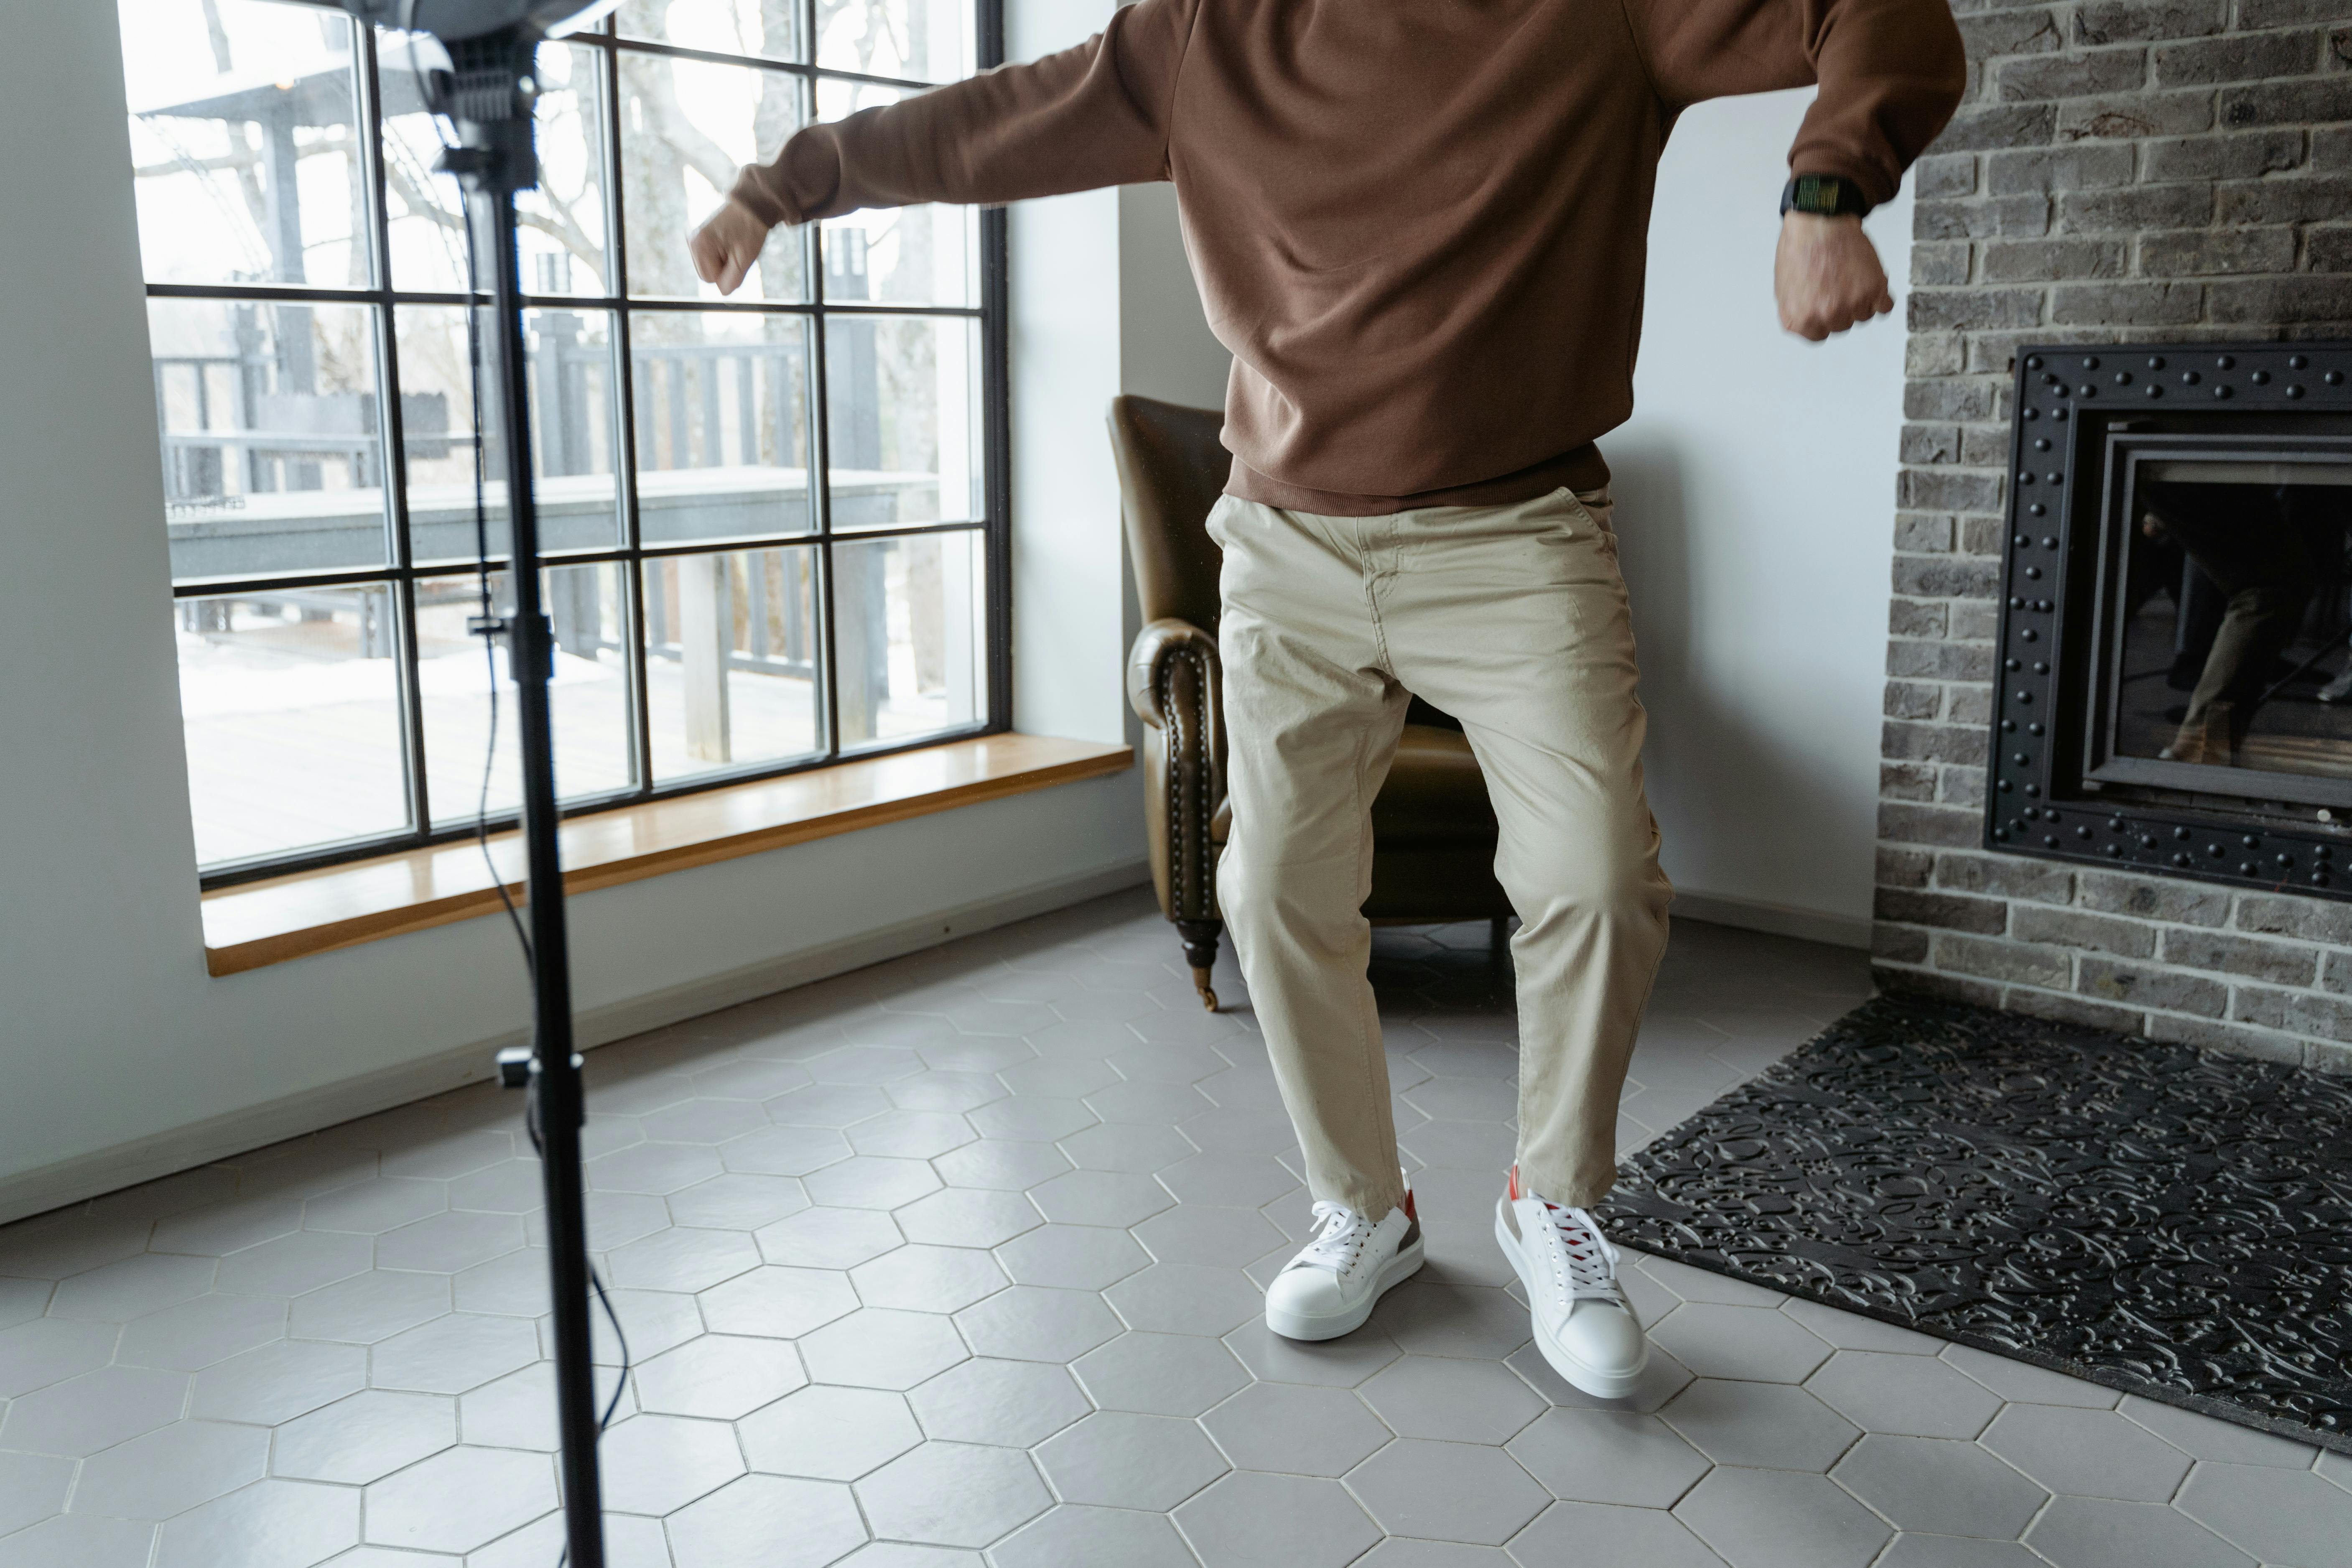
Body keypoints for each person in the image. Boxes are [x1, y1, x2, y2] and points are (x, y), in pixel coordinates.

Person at [693, 0, 1962, 1396]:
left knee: (1596, 876)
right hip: (1284, 545)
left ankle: (1551, 1200)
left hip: (1516, 537)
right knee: (1271, 885)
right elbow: (986, 124)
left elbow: (1878, 14)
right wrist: (782, 187)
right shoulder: (1204, 36)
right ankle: (1366, 1208)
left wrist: (1828, 184)